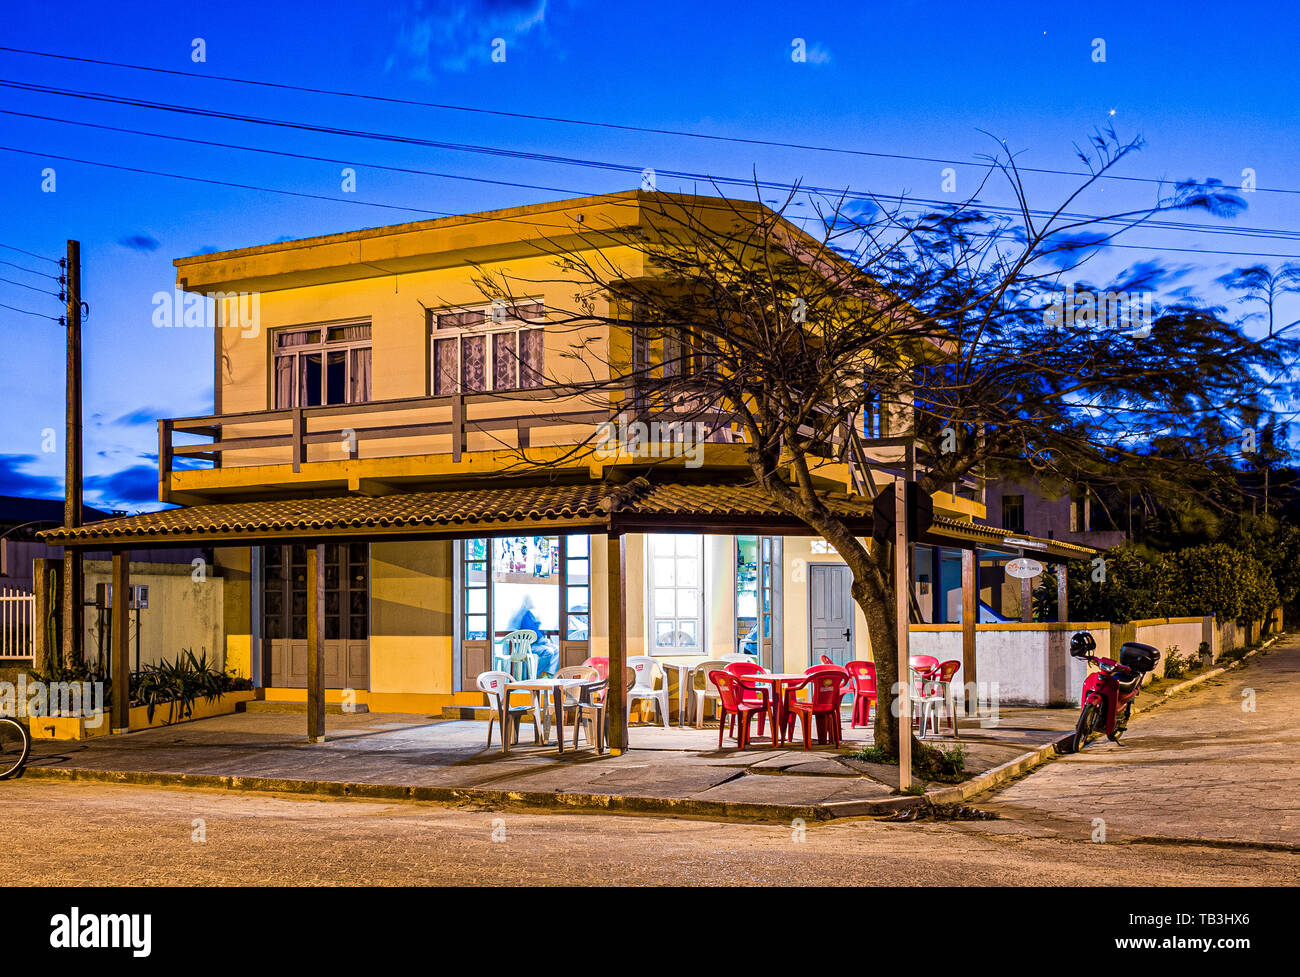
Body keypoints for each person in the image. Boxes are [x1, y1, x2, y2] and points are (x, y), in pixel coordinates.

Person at [508, 595, 558, 677]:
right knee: (549, 652)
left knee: (556, 649)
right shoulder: (524, 615)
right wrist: (544, 641)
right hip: (525, 646)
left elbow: (533, 629)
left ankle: (548, 672)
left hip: (533, 643)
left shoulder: (528, 614)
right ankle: (537, 674)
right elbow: (531, 631)